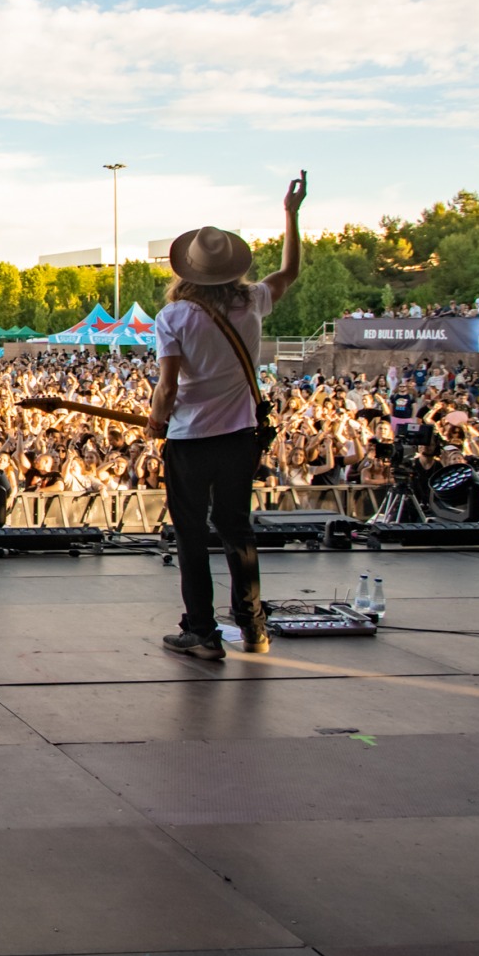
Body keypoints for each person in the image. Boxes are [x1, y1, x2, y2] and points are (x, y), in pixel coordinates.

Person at [148, 172, 306, 661]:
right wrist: (291, 214)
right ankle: (254, 628)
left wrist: (156, 420)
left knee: (191, 535)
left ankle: (202, 632)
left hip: (191, 437)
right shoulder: (252, 301)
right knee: (238, 530)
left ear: (186, 271)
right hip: (240, 436)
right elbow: (290, 271)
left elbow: (168, 386)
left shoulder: (174, 318)